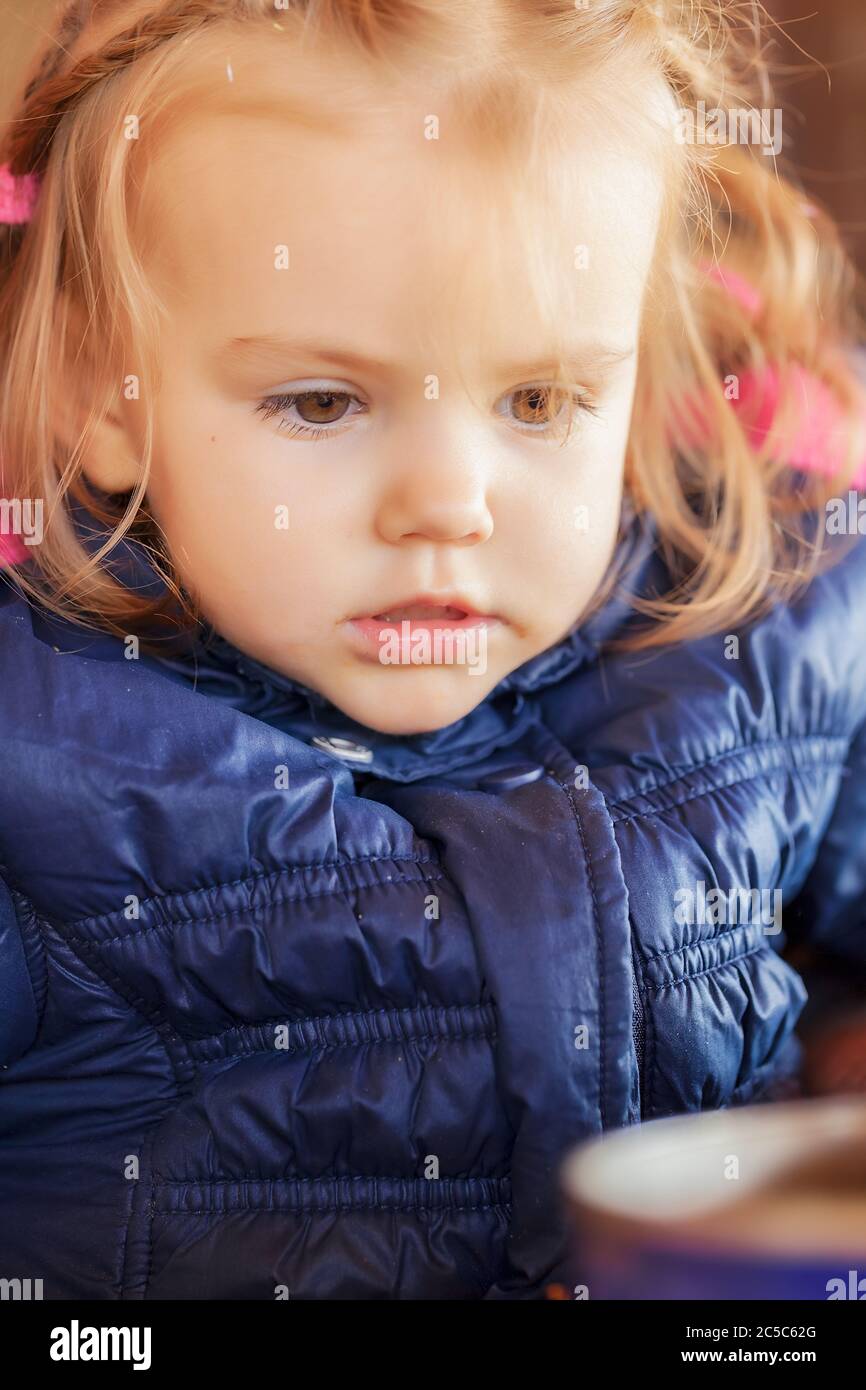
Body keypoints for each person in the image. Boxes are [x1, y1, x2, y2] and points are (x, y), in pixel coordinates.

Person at [0, 0, 865, 1301]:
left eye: (537, 399)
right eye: (321, 401)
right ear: (98, 391)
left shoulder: (765, 643)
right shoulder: (35, 754)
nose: (447, 503)